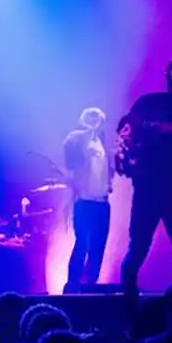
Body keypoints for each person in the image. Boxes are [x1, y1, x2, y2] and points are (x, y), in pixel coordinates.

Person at [118, 56, 172, 294]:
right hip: (147, 187)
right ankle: (128, 305)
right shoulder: (146, 102)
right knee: (138, 249)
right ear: (167, 73)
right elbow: (128, 125)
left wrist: (143, 131)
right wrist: (123, 144)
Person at [63, 107, 114, 293]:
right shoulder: (76, 138)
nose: (96, 121)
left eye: (99, 118)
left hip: (102, 202)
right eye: (91, 118)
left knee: (98, 246)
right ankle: (73, 286)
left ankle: (90, 286)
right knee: (82, 242)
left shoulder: (103, 144)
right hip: (84, 201)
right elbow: (70, 159)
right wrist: (86, 132)